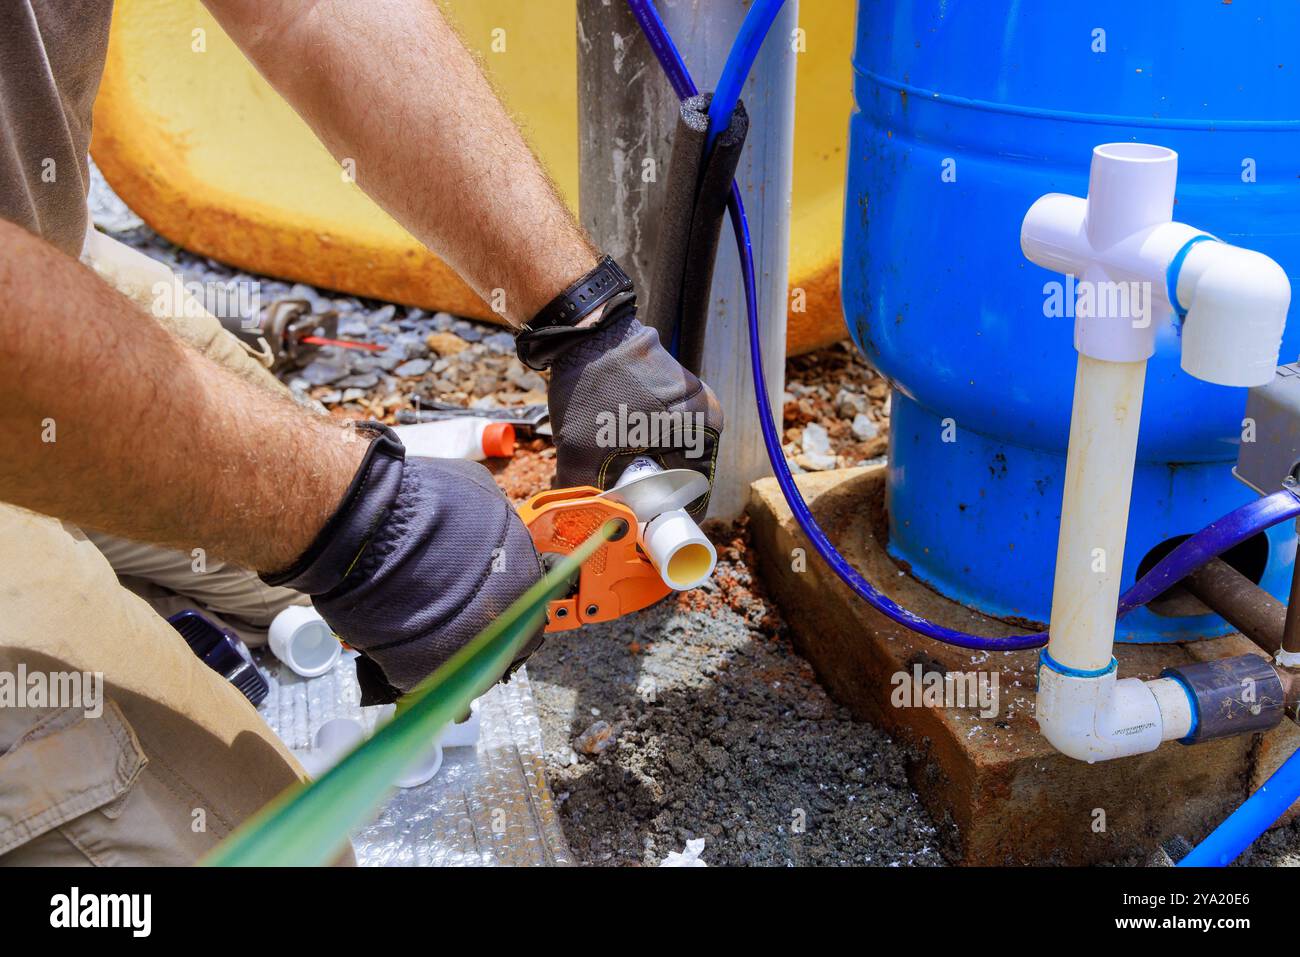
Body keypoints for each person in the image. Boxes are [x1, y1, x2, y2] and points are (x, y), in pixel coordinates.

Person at [0, 0, 721, 865]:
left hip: (38, 266)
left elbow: (304, 11)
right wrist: (349, 517)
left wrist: (583, 319)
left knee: (309, 586)